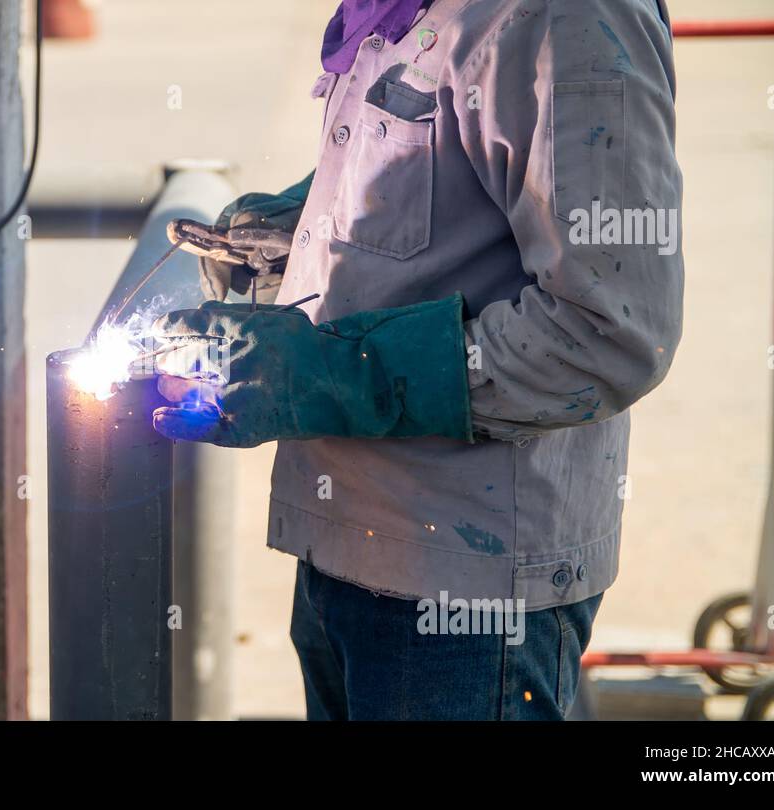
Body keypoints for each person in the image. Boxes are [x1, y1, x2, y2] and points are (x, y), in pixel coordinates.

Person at [153, 0, 683, 720]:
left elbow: (608, 334)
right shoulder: (408, 9)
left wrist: (329, 372)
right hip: (349, 548)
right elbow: (459, 177)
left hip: (463, 601)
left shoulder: (564, 16)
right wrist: (315, 225)